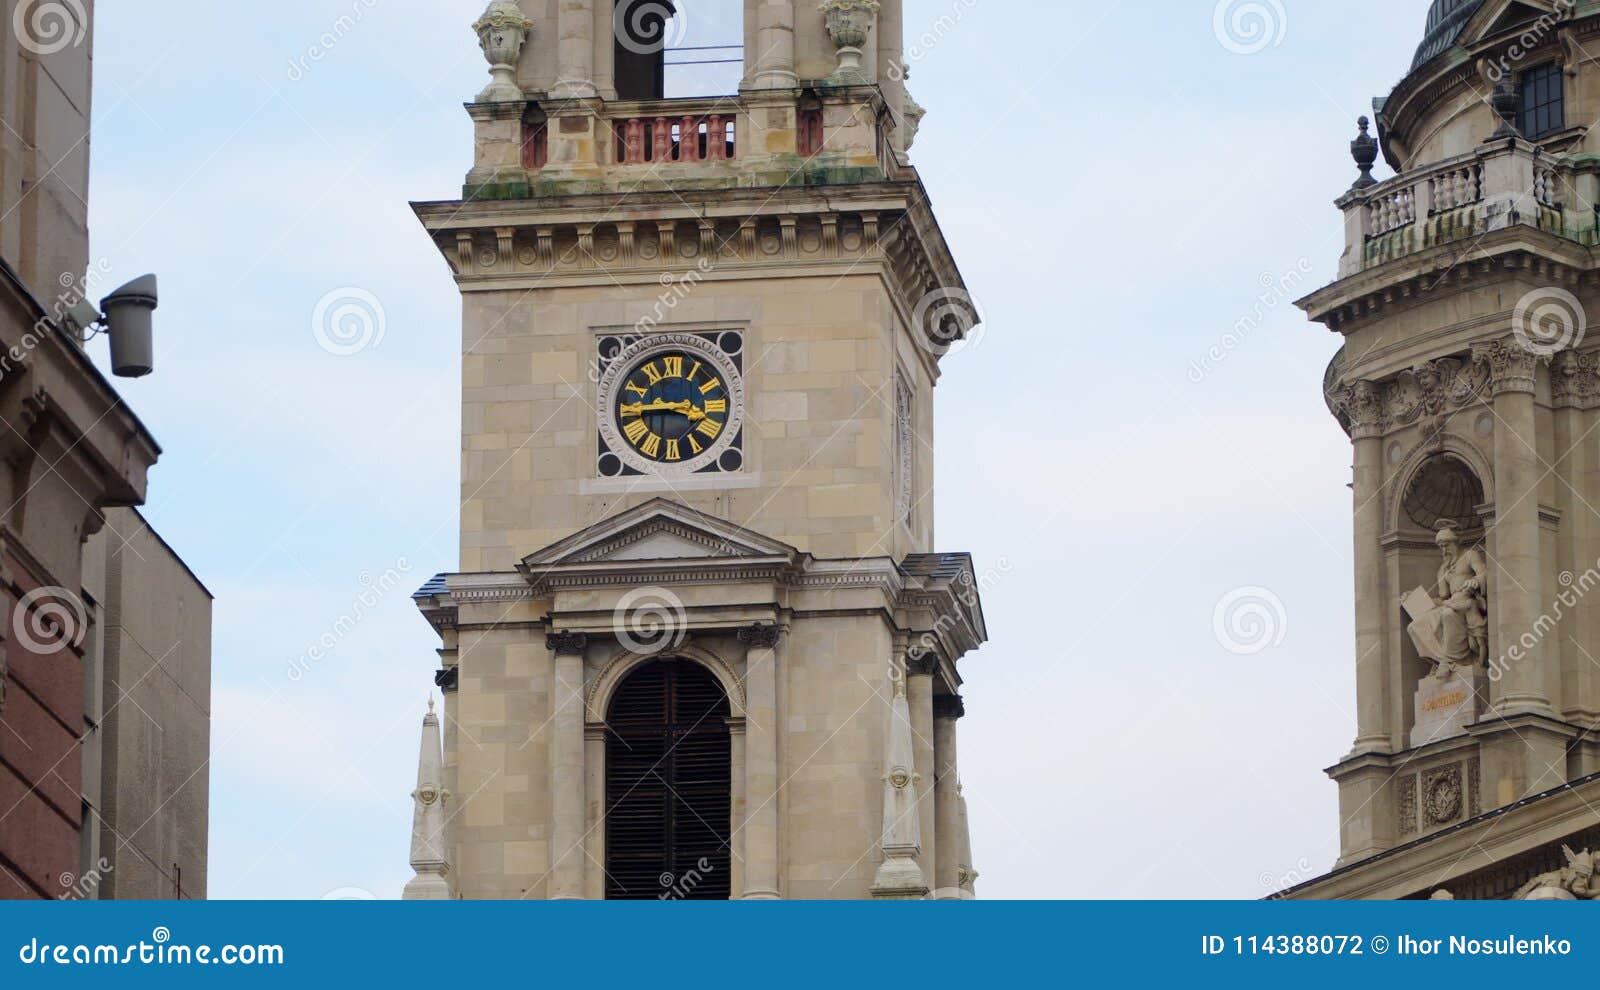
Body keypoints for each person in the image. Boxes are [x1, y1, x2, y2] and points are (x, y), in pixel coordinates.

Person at [1405, 520, 1488, 676]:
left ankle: (1450, 661)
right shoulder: (1443, 569)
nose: (1444, 550)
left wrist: (1475, 581)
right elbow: (1442, 598)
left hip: (1468, 602)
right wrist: (1415, 599)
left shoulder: (1470, 555)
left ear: (1457, 542)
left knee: (1447, 614)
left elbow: (1485, 573)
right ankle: (1441, 659)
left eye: (1447, 544)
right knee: (1415, 627)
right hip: (1450, 604)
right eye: (1441, 546)